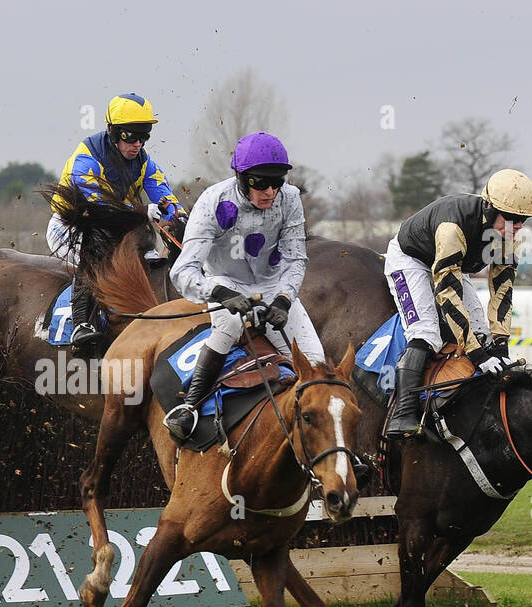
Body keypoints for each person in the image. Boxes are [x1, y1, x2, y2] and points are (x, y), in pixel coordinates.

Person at [162, 131, 325, 442]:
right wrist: (219, 293)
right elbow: (183, 271)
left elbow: (295, 259)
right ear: (240, 177)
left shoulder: (290, 198)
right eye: (260, 183)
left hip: (272, 283)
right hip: (225, 280)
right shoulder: (213, 201)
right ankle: (189, 406)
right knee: (230, 323)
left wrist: (284, 299)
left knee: (317, 366)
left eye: (277, 183)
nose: (270, 192)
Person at [383, 169, 532, 437]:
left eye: (523, 220)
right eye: (511, 218)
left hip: (453, 265)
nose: (517, 227)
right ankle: (403, 414)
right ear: (489, 208)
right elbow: (447, 291)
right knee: (426, 333)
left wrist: (500, 345)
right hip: (412, 260)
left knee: (482, 335)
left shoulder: (509, 236)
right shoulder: (452, 228)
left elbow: (502, 291)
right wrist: (477, 354)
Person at [47, 93, 185, 345]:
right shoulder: (86, 158)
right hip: (73, 225)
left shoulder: (144, 163)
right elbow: (98, 204)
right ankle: (81, 325)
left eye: (143, 137)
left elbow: (166, 197)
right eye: (130, 136)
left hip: (114, 226)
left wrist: (179, 219)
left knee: (153, 255)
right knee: (100, 260)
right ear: (112, 131)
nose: (137, 144)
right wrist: (141, 211)